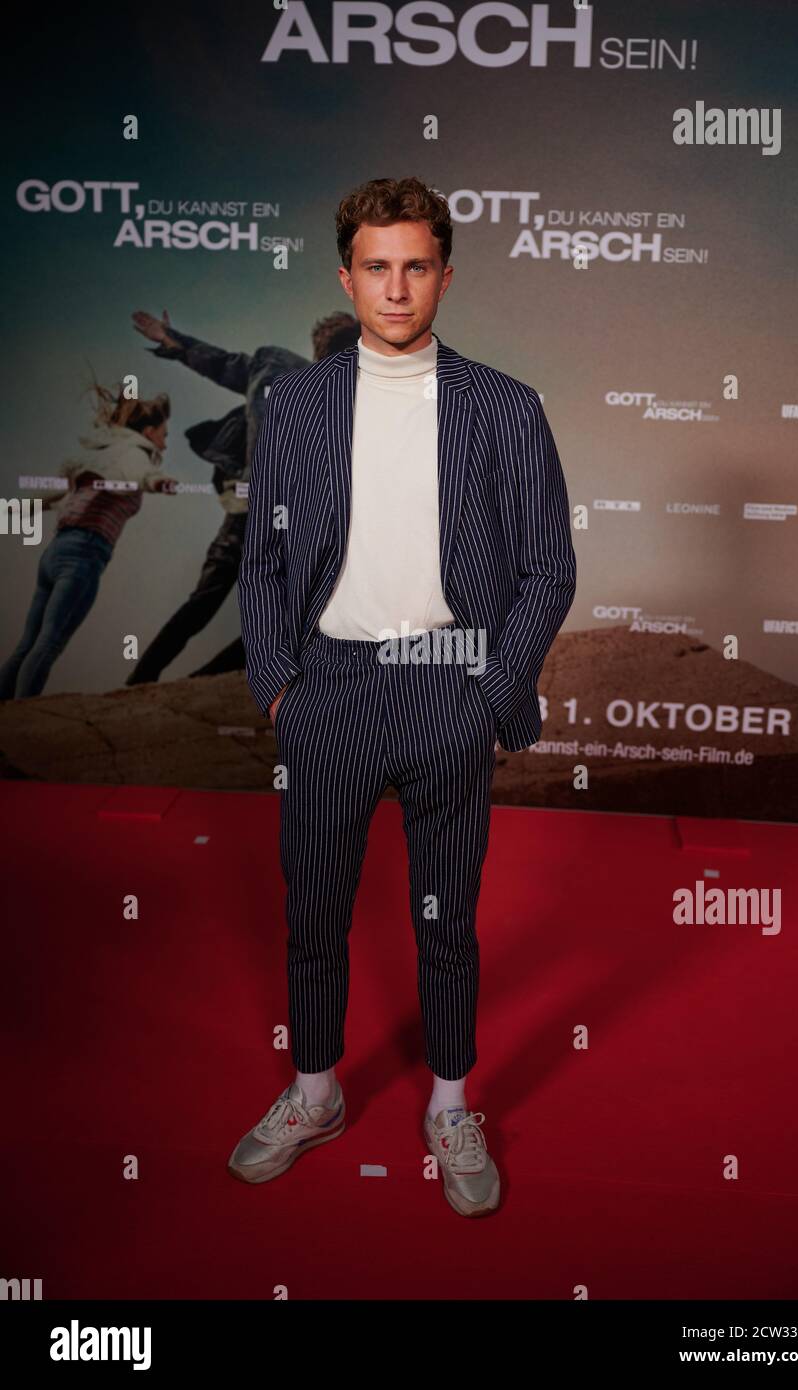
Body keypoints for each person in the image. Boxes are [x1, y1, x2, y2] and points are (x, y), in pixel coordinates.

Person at [228, 176, 577, 1217]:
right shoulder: (292, 404)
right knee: (314, 911)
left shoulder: (506, 407)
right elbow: (265, 565)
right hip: (326, 690)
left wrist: (490, 688)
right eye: (375, 267)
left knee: (448, 920)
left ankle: (451, 1103)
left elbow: (548, 569)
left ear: (445, 275)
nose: (395, 287)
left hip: (449, 686)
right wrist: (277, 686)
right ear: (347, 276)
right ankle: (315, 1090)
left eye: (415, 265)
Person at [124, 311, 359, 684]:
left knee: (209, 601)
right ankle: (176, 680)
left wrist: (173, 339)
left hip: (254, 511)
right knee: (287, 620)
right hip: (279, 519)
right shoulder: (342, 397)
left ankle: (154, 679)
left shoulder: (285, 373)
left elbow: (224, 364)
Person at [0, 384, 176, 699]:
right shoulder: (137, 454)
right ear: (148, 432)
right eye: (164, 433)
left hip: (55, 552)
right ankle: (22, 723)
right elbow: (137, 475)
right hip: (84, 554)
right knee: (49, 643)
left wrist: (13, 511)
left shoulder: (105, 454)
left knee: (28, 643)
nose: (166, 441)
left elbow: (55, 493)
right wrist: (156, 481)